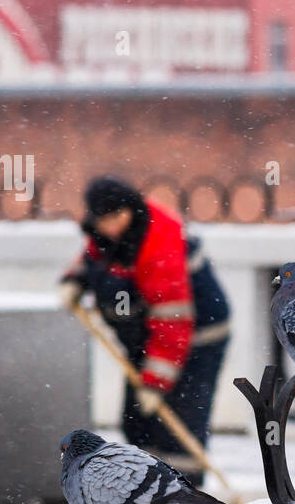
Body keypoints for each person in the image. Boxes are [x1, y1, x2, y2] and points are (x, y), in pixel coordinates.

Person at [60, 177, 230, 482]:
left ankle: (183, 494)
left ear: (130, 210)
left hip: (195, 338)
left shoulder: (159, 241)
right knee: (136, 419)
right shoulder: (105, 235)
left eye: (116, 217)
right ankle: (142, 487)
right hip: (146, 339)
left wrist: (155, 383)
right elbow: (94, 258)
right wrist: (75, 280)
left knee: (178, 423)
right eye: (103, 220)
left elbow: (173, 321)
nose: (110, 227)